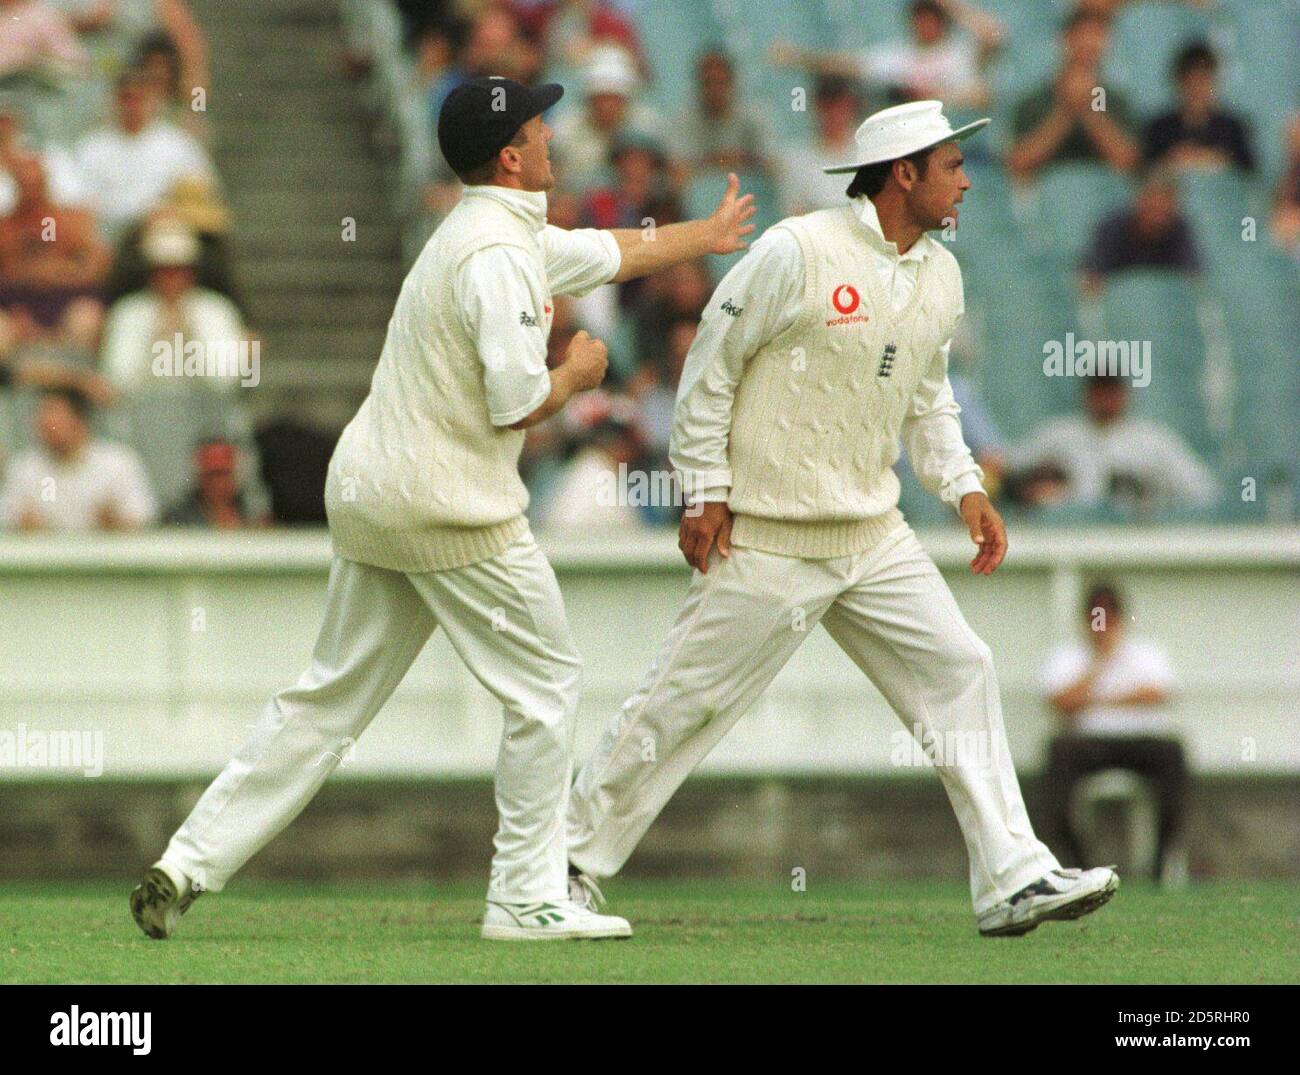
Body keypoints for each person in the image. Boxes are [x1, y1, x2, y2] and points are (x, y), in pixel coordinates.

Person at [129, 75, 756, 943]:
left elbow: (610, 252)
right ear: (510, 155)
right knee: (545, 686)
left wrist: (710, 236)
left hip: (373, 496)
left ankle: (186, 862)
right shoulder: (497, 255)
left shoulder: (494, 231)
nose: (552, 139)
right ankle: (525, 897)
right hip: (446, 504)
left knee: (325, 701)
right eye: (540, 129)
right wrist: (575, 375)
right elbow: (515, 402)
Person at [564, 100, 1118, 939]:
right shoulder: (797, 250)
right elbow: (711, 365)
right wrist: (704, 488)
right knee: (683, 704)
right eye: (951, 166)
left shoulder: (941, 274)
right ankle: (563, 863)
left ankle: (1013, 874)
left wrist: (964, 486)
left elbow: (927, 397)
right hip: (770, 535)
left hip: (871, 534)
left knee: (960, 666)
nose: (967, 180)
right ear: (904, 173)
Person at [1040, 583, 1189, 882]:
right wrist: (1100, 662)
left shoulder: (1146, 653)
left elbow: (1157, 694)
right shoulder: (1067, 656)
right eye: (1097, 617)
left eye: (1108, 616)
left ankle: (1160, 866)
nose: (1103, 625)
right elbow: (1061, 702)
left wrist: (1098, 700)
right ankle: (1081, 870)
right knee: (1056, 757)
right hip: (1087, 744)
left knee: (1173, 754)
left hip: (1140, 742)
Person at [1007, 375, 1218, 514]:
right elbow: (1007, 474)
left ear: (1125, 394)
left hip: (1137, 539)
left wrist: (1153, 496)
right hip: (1066, 537)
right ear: (1086, 394)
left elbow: (1203, 492)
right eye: (1099, 391)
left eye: (1111, 391)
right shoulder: (1057, 434)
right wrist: (1034, 489)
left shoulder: (1154, 439)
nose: (1105, 399)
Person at [769, 0, 1004, 109]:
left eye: (930, 19)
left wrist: (947, 3)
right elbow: (848, 65)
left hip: (962, 133)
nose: (924, 26)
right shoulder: (898, 56)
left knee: (980, 93)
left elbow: (995, 35)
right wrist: (797, 57)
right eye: (919, 20)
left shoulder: (961, 52)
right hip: (918, 134)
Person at [73, 68, 213, 241]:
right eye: (126, 98)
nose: (132, 106)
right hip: (105, 236)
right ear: (114, 100)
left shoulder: (179, 145)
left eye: (139, 98)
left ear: (152, 100)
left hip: (159, 237)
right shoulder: (91, 148)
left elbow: (200, 194)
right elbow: (77, 199)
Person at [1006, 8, 1139, 180]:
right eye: (1082, 35)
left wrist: (1088, 110)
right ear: (1066, 39)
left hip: (1105, 193)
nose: (1089, 43)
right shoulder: (1036, 99)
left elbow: (1128, 161)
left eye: (1097, 36)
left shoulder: (1115, 99)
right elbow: (1019, 162)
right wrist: (1065, 111)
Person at [0, 386, 156, 530]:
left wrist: (115, 522)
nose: (46, 425)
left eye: (55, 418)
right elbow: (7, 518)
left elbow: (143, 517)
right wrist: (22, 525)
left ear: (79, 420)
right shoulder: (23, 467)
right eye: (42, 419)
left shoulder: (118, 462)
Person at [1142, 41, 1254, 174]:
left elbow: (1248, 175)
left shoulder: (1233, 129)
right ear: (1179, 82)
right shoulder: (1160, 129)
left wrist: (1214, 159)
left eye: (1203, 81)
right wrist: (1172, 160)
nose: (1197, 89)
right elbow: (1143, 172)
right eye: (1191, 82)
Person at [1080, 169, 1199, 293]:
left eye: (1165, 200)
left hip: (1165, 304)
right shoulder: (1113, 227)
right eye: (1153, 199)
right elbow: (1090, 276)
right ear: (1139, 200)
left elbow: (1193, 278)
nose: (1158, 207)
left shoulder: (1180, 229)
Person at [162, 438, 268, 528]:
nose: (217, 482)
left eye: (224, 473)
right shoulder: (177, 520)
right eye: (211, 474)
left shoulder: (253, 514)